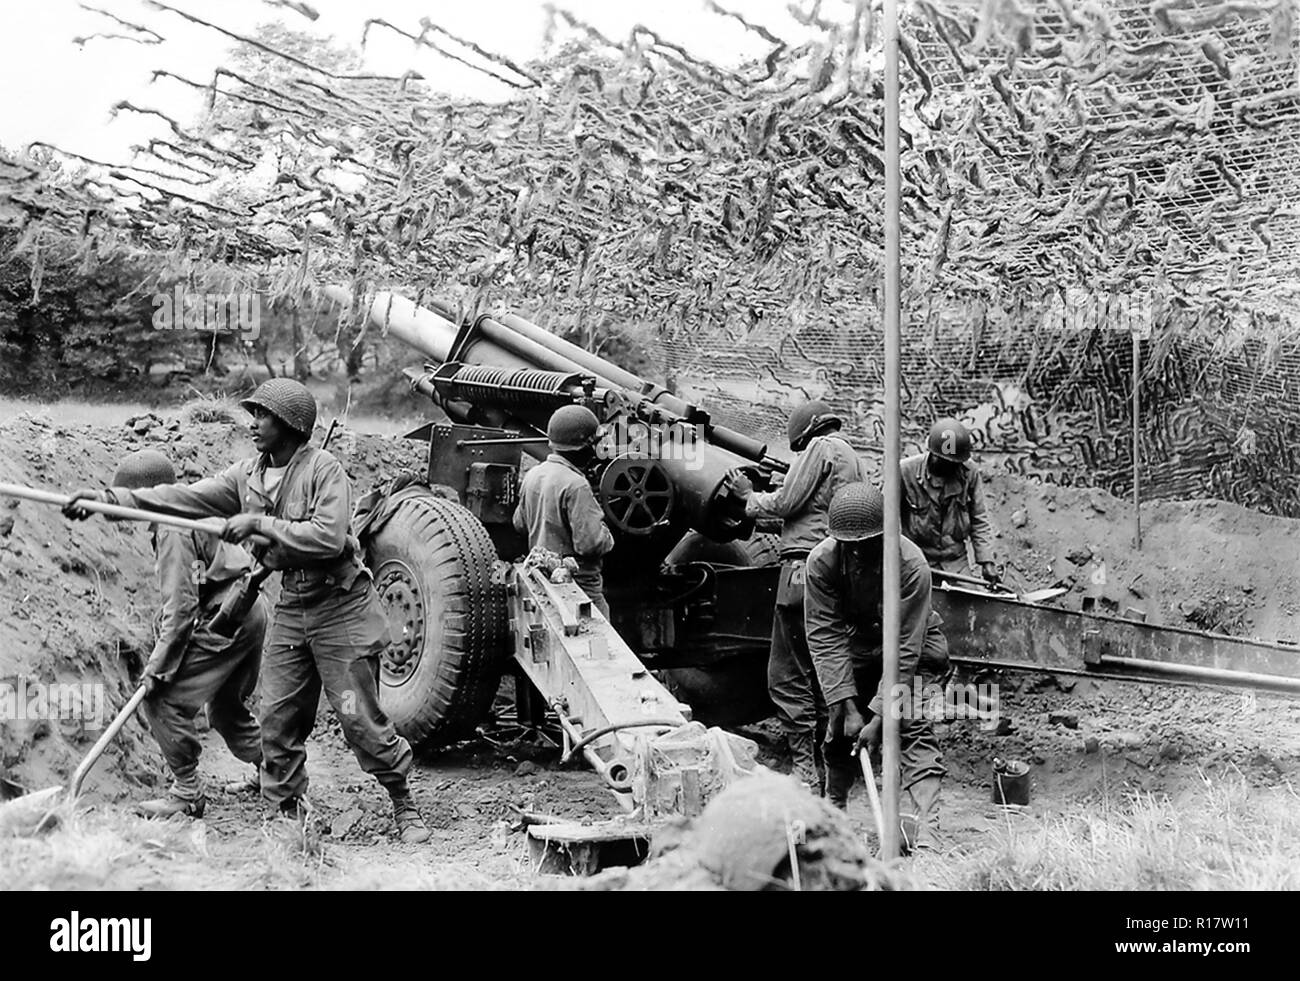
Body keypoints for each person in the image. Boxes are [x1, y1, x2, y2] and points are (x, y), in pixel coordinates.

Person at [64, 379, 431, 844]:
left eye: (263, 415)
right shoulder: (246, 475)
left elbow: (329, 537)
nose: (252, 423)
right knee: (277, 718)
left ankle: (403, 801)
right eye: (253, 413)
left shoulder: (324, 469)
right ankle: (287, 813)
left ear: (292, 425)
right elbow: (184, 497)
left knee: (356, 715)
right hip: (292, 608)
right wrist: (112, 501)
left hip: (342, 610)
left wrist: (259, 523)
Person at [110, 450, 266, 819]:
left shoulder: (172, 529)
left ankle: (187, 792)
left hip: (227, 617)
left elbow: (179, 610)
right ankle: (277, 770)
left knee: (162, 700)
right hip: (248, 610)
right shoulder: (188, 512)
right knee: (227, 708)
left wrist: (157, 668)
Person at [803, 482, 946, 851]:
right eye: (850, 546)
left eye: (868, 544)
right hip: (856, 644)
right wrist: (847, 707)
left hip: (911, 646)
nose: (859, 553)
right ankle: (833, 816)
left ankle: (927, 830)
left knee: (910, 727)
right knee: (839, 732)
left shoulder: (912, 566)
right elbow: (825, 636)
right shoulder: (821, 563)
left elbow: (904, 650)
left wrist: (881, 717)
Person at [736, 400, 863, 794]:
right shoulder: (850, 455)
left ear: (804, 432)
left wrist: (749, 497)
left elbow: (788, 503)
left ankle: (806, 769)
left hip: (802, 572)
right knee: (826, 667)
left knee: (787, 673)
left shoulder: (820, 449)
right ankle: (831, 768)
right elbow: (806, 513)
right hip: (836, 571)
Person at [513, 404, 615, 617]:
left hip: (543, 580)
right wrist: (607, 531)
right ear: (585, 446)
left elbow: (519, 524)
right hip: (581, 589)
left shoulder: (533, 475)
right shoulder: (576, 485)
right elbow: (591, 544)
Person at [900, 417, 1000, 584]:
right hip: (917, 560)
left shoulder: (969, 472)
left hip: (955, 562)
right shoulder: (905, 471)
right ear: (931, 453)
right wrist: (900, 559)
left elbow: (979, 519)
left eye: (954, 463)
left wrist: (986, 560)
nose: (950, 467)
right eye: (944, 461)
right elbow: (887, 521)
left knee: (972, 605)